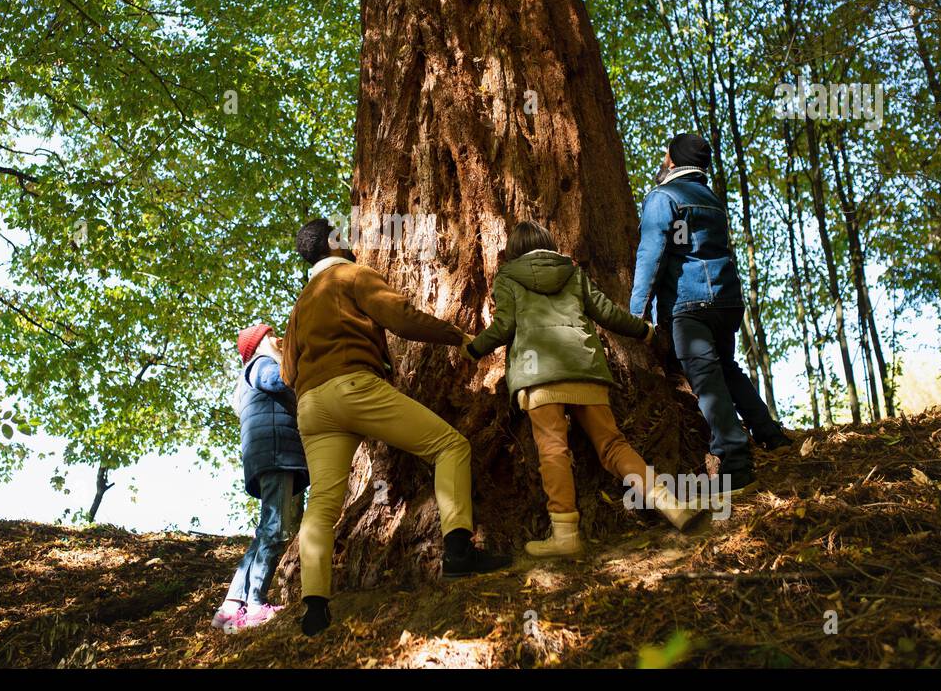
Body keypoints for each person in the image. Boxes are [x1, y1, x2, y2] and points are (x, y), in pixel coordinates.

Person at [280, 218, 511, 637]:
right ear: (334, 244)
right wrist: (456, 335)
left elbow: (287, 373)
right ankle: (458, 551)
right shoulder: (351, 275)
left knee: (324, 504)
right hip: (353, 386)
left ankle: (315, 607)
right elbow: (402, 320)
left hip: (311, 407)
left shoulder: (299, 307)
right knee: (450, 446)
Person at [465, 221, 703, 556]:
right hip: (586, 371)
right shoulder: (572, 273)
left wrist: (473, 348)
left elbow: (504, 326)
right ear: (549, 243)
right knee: (612, 445)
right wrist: (645, 331)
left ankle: (565, 535)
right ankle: (672, 505)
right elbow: (606, 312)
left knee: (552, 451)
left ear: (514, 250)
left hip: (539, 376)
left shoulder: (508, 277)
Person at [629, 132, 792, 498]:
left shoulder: (662, 197)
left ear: (672, 160)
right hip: (726, 301)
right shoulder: (712, 200)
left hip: (690, 303)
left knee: (706, 376)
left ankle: (735, 462)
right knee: (727, 368)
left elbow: (652, 255)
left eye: (665, 153)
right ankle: (770, 435)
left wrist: (636, 312)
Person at [212, 323, 310, 632]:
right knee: (276, 529)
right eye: (271, 336)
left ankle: (230, 607)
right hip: (278, 455)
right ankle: (255, 604)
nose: (278, 338)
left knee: (264, 530)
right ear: (258, 344)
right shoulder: (261, 364)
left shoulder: (246, 378)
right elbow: (277, 381)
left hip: (267, 456)